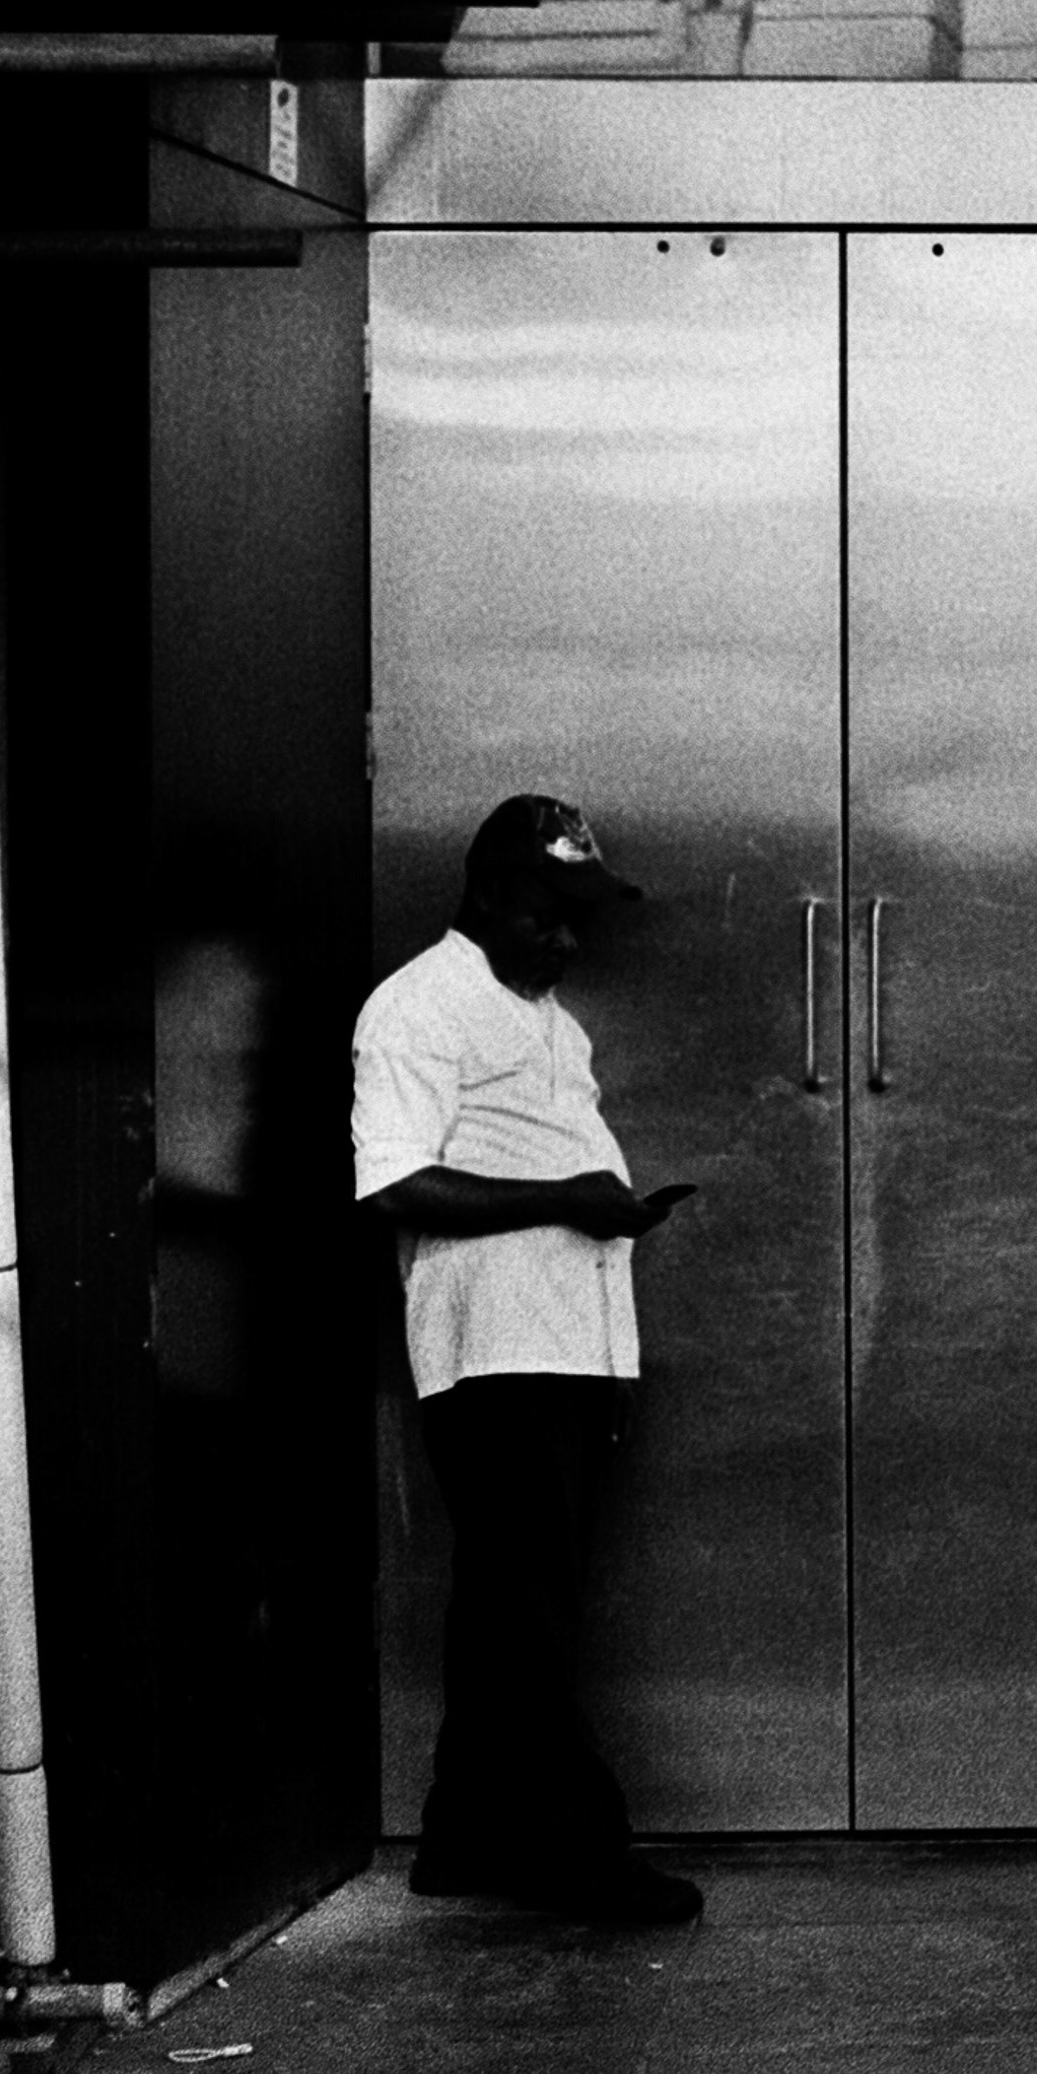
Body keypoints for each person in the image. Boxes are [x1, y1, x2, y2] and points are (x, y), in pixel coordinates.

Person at [352, 793, 702, 1927]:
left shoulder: (551, 1021)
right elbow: (394, 1182)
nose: (566, 939)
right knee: (530, 1607)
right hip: (497, 1356)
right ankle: (579, 1850)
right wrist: (569, 1197)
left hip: (565, 1349)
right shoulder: (416, 1006)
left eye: (579, 919)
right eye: (547, 913)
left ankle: (463, 1837)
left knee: (508, 1599)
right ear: (488, 892)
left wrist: (608, 1268)